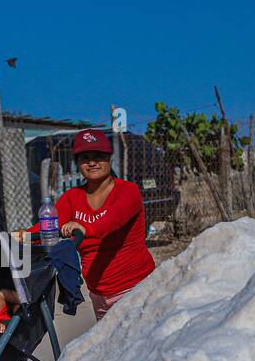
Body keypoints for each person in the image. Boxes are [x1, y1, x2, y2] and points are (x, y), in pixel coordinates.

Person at [21, 129, 156, 319]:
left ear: (109, 157)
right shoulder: (72, 197)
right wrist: (19, 238)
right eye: (85, 158)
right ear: (77, 163)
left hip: (137, 288)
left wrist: (86, 228)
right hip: (99, 295)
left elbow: (113, 220)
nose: (92, 162)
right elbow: (46, 229)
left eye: (98, 156)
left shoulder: (128, 191)